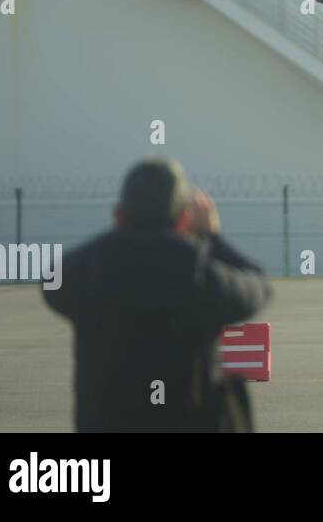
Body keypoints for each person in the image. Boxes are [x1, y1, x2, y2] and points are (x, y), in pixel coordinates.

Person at [44, 159, 271, 432]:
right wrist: (211, 237)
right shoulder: (202, 276)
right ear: (184, 219)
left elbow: (53, 279)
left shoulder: (84, 274)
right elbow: (258, 286)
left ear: (119, 216)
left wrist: (117, 236)